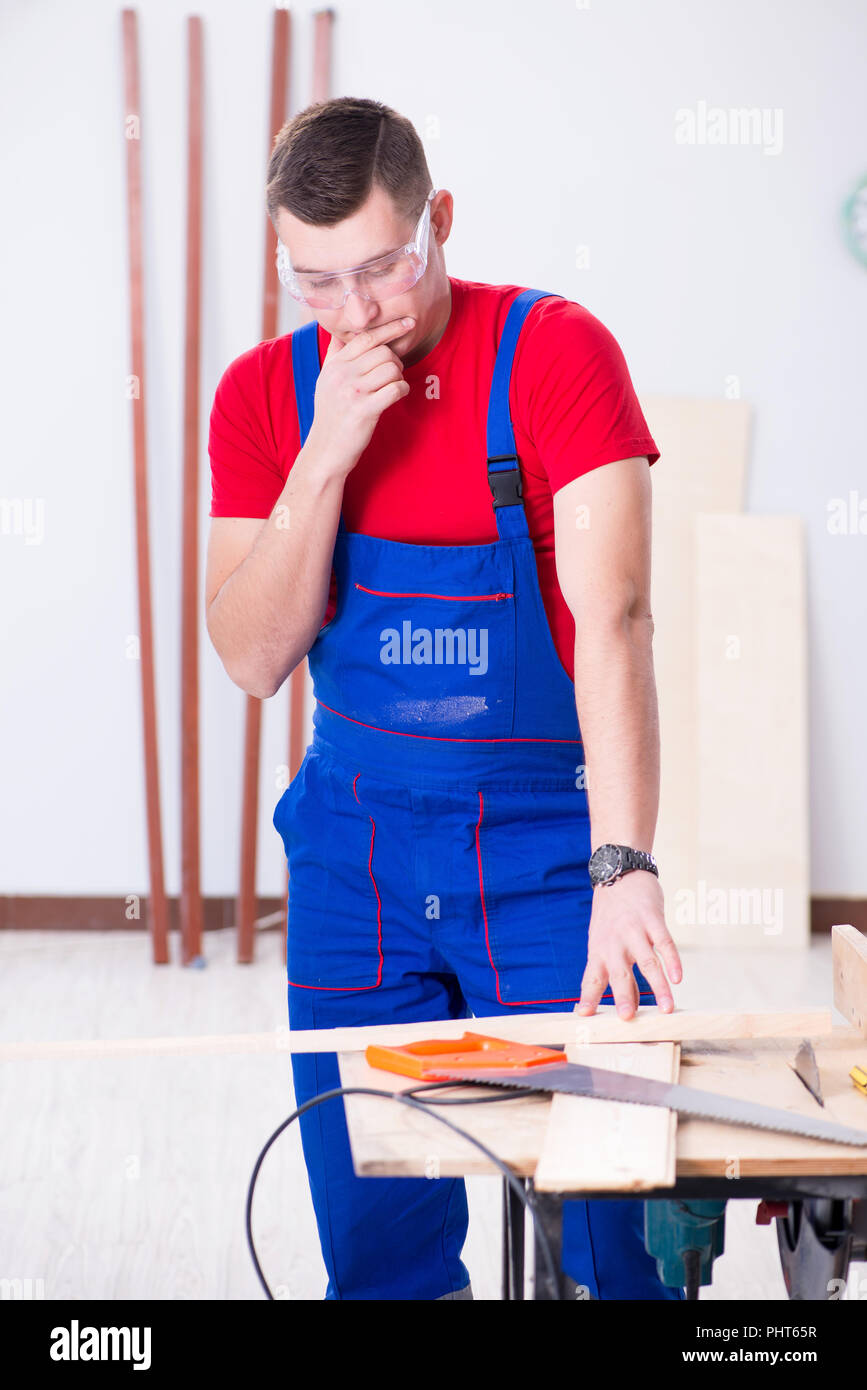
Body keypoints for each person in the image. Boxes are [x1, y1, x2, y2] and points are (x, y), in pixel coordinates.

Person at [206, 95, 685, 1301]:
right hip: (352, 858)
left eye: (382, 268)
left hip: (542, 853)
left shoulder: (555, 355)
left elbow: (617, 622)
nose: (355, 311)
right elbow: (252, 656)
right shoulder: (263, 397)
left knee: (609, 1237)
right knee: (376, 1252)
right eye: (316, 282)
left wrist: (624, 864)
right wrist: (326, 453)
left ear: (441, 225)